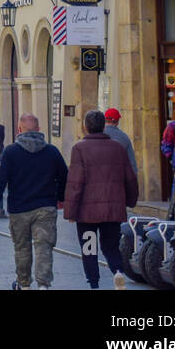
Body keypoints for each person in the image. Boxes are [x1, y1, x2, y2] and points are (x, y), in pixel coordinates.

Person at [0, 113, 69, 290]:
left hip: (19, 208)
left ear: (19, 130)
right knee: (44, 247)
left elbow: (0, 180)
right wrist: (60, 198)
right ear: (39, 130)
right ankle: (43, 285)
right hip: (45, 207)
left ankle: (24, 284)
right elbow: (64, 176)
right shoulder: (52, 151)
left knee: (22, 248)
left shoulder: (10, 152)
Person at [64, 109, 138, 290]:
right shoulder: (118, 148)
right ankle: (118, 271)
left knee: (89, 249)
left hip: (87, 214)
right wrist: (129, 201)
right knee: (111, 246)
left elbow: (75, 182)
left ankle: (94, 283)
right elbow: (130, 177)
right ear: (103, 126)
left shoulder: (79, 148)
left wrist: (70, 212)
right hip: (113, 211)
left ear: (86, 127)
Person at [102, 107, 138, 177]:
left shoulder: (97, 135)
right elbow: (132, 166)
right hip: (118, 179)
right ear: (117, 121)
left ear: (104, 120)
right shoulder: (124, 137)